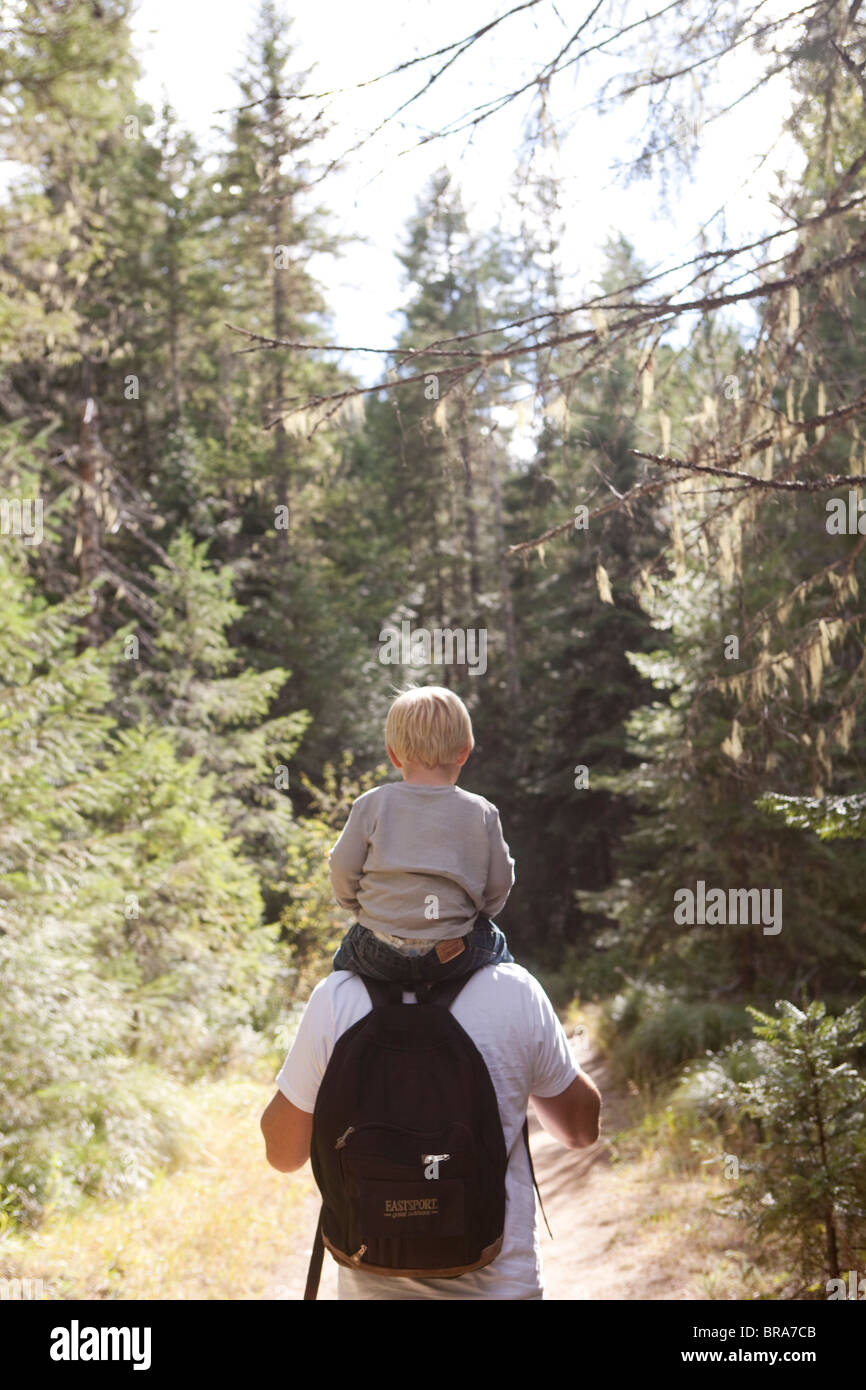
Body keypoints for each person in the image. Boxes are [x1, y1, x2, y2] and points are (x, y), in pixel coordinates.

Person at [261, 684, 602, 1298]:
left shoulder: (336, 998)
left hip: (374, 950)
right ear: (467, 750)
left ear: (393, 752)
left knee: (354, 961)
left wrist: (361, 911)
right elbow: (498, 888)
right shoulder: (484, 824)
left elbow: (282, 1154)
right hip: (463, 951)